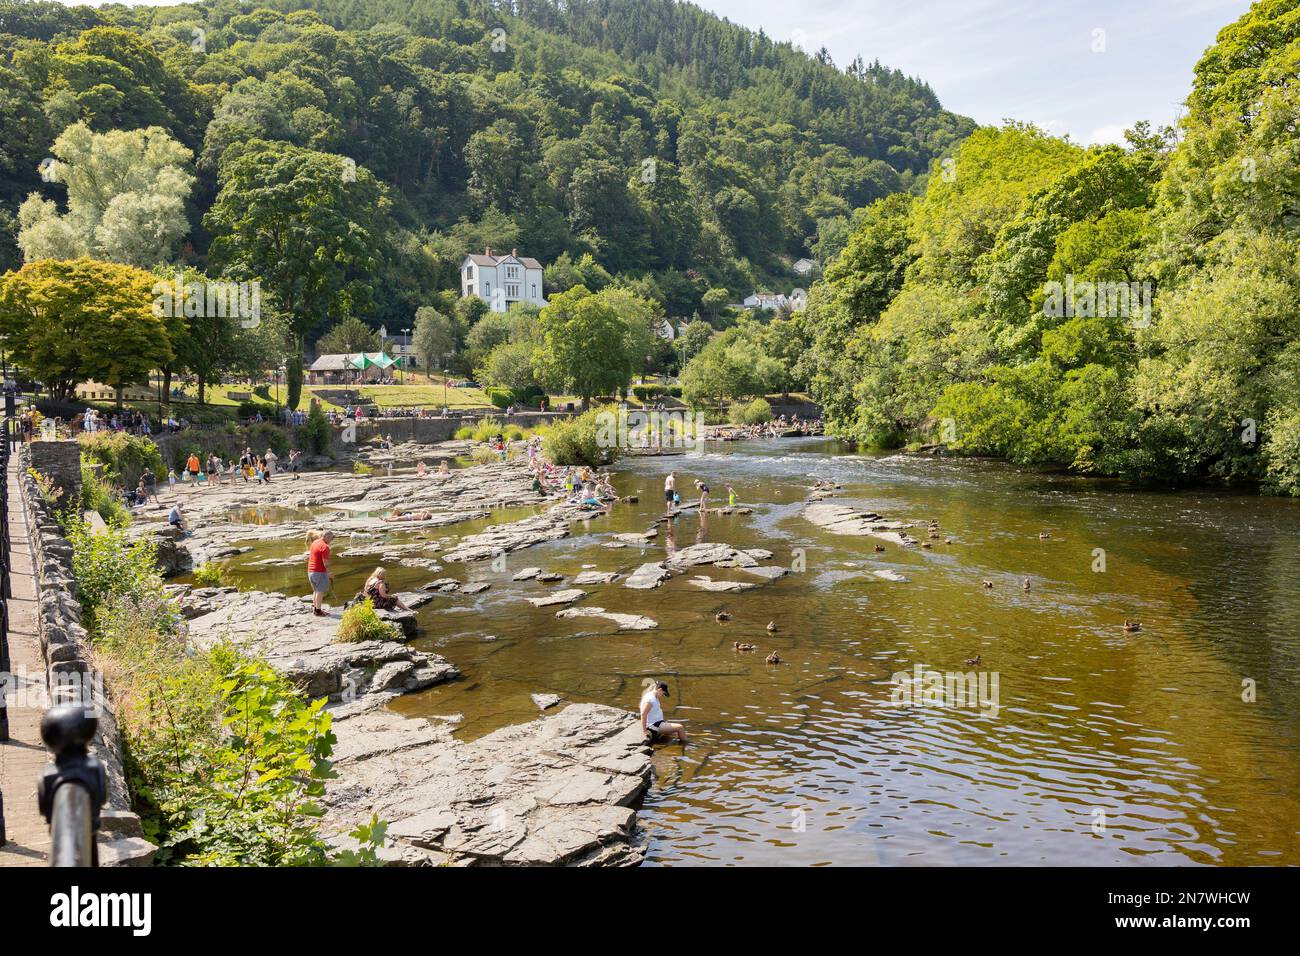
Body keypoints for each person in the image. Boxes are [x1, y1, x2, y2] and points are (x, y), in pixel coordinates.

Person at [639, 679, 686, 743]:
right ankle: (685, 744)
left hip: (658, 723)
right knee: (680, 727)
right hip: (653, 726)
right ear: (659, 690)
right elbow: (643, 714)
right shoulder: (650, 699)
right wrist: (645, 730)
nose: (663, 696)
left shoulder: (654, 696)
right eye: (663, 694)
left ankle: (681, 740)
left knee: (675, 733)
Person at [306, 530, 334, 616]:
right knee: (320, 592)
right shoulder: (325, 547)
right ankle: (318, 611)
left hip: (311, 571)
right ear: (327, 537)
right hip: (319, 572)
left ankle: (315, 609)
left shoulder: (315, 542)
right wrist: (329, 573)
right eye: (331, 538)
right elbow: (325, 562)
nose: (331, 541)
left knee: (316, 591)